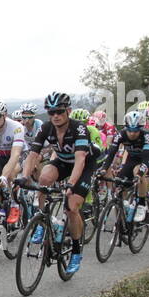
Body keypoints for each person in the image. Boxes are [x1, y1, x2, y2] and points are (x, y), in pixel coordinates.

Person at [21, 91, 92, 275]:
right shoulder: (46, 128)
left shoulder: (79, 129)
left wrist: (71, 184)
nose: (55, 116)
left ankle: (76, 251)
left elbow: (80, 160)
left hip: (83, 165)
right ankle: (41, 218)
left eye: (59, 111)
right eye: (51, 112)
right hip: (62, 161)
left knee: (71, 208)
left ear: (68, 111)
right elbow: (33, 154)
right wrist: (24, 176)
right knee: (44, 178)